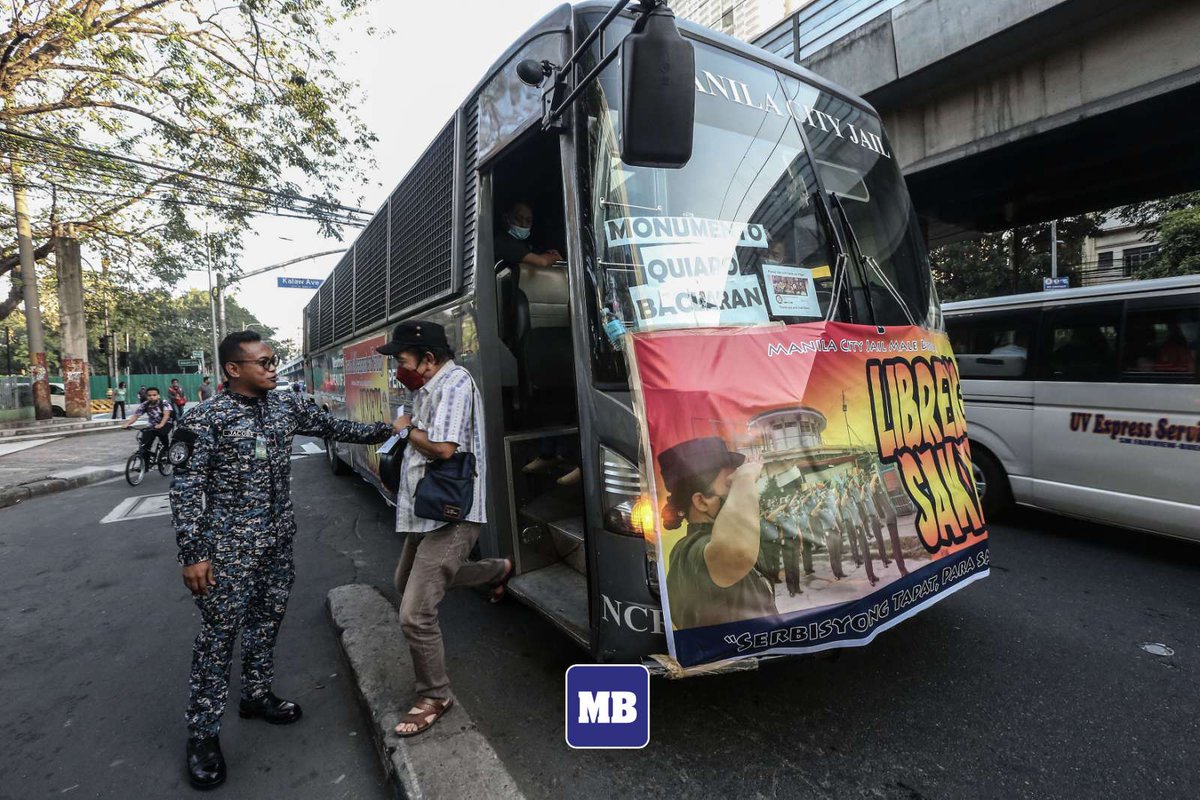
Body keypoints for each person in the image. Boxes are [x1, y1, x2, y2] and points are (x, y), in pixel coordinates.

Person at [170, 330, 396, 790]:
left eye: (274, 360)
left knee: (266, 621)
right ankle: (203, 735)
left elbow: (338, 429)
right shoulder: (205, 419)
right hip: (227, 551)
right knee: (217, 638)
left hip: (276, 542)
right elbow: (187, 489)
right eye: (264, 362)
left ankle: (255, 695)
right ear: (234, 370)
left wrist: (392, 429)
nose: (274, 368)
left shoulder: (284, 406)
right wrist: (193, 554)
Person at [375, 320, 512, 739]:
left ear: (428, 358)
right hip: (425, 511)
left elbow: (444, 449)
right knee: (404, 582)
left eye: (402, 360)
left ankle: (435, 695)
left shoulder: (453, 385)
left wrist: (406, 430)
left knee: (415, 613)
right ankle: (496, 570)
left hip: (450, 514)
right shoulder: (429, 388)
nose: (400, 367)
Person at [660, 437, 777, 629]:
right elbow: (738, 554)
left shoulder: (712, 541)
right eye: (730, 485)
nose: (739, 490)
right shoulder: (690, 550)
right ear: (702, 502)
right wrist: (745, 478)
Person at [494, 200, 562, 269]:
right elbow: (541, 262)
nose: (523, 224)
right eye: (518, 218)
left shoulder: (525, 244)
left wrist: (547, 253)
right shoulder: (503, 242)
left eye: (528, 220)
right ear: (506, 218)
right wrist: (554, 257)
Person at [122, 386, 172, 461]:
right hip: (152, 425)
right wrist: (127, 424)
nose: (152, 397)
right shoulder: (145, 404)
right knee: (144, 445)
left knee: (162, 434)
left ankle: (165, 451)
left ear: (158, 396)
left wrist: (161, 425)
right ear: (146, 396)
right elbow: (136, 416)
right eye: (149, 395)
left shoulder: (164, 403)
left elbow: (166, 415)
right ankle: (145, 465)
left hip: (166, 423)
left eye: (154, 395)